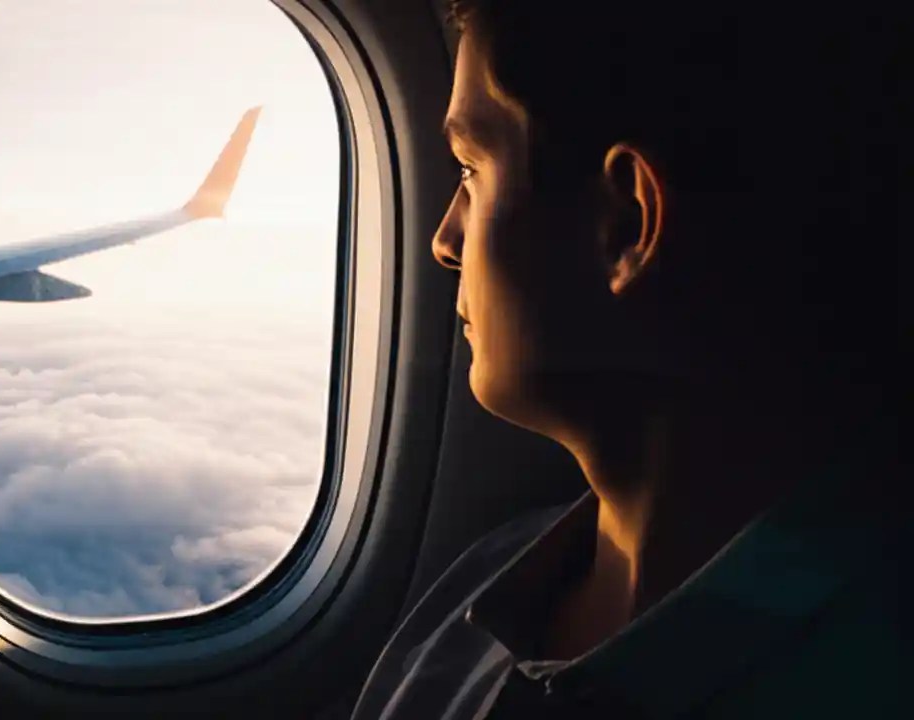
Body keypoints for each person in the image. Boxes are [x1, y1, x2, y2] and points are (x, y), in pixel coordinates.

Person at [351, 1, 903, 718]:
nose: (444, 241)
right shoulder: (484, 586)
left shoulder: (872, 665)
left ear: (625, 225)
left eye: (471, 169)